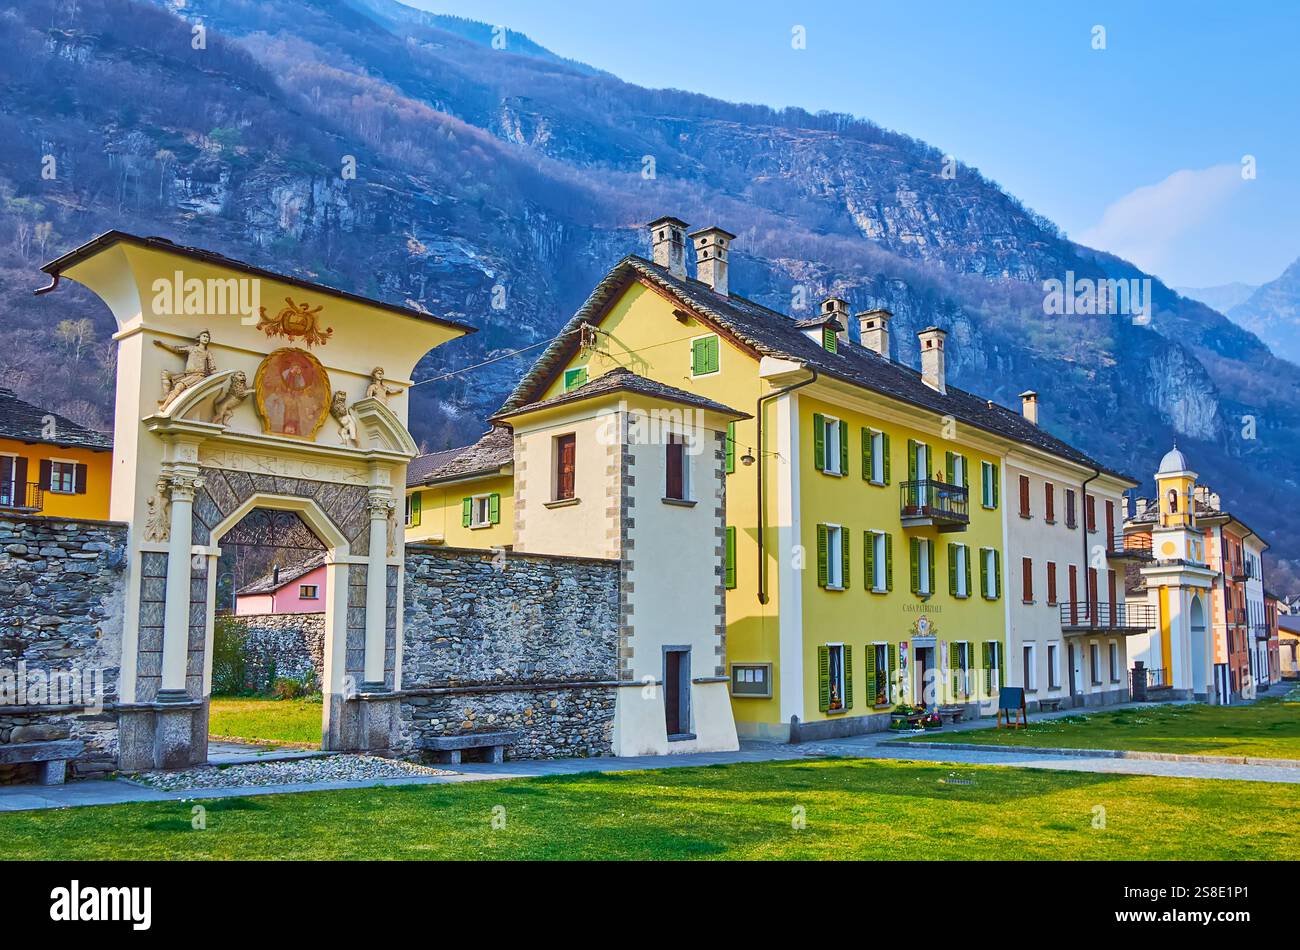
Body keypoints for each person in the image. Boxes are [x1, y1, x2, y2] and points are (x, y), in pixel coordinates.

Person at [155, 330, 216, 407]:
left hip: (197, 376)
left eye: (207, 337)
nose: (206, 338)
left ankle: (165, 406)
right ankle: (166, 395)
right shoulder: (191, 348)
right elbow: (176, 349)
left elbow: (212, 367)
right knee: (165, 373)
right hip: (187, 375)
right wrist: (162, 344)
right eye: (204, 336)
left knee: (179, 386)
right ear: (199, 338)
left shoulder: (207, 353)